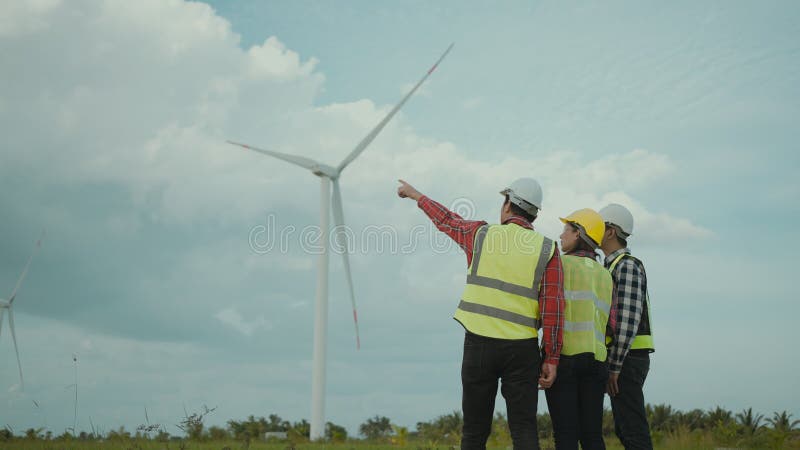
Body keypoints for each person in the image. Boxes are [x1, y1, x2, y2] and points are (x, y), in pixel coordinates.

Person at [397, 178, 565, 450]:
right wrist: (552, 357)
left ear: (508, 204)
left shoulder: (481, 235)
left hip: (479, 344)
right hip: (522, 349)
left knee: (474, 432)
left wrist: (417, 196)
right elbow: (554, 308)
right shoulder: (547, 249)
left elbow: (447, 220)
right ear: (534, 213)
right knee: (523, 429)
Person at [544, 209, 614, 450]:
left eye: (566, 229)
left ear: (578, 234)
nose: (561, 235)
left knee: (565, 436)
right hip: (597, 362)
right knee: (593, 436)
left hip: (565, 359)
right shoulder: (605, 274)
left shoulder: (560, 264)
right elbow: (610, 324)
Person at [599, 203, 655, 450]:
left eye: (599, 226)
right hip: (625, 358)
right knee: (625, 429)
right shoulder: (611, 266)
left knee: (633, 432)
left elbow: (628, 323)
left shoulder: (627, 265)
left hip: (628, 359)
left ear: (611, 231)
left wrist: (614, 366)